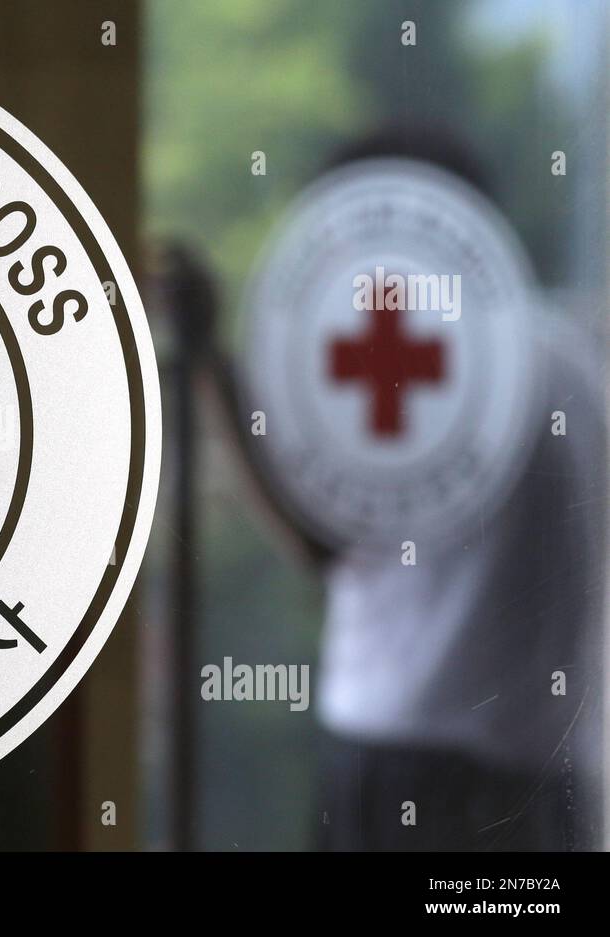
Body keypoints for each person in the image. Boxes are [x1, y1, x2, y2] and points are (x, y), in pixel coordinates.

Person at [170, 136, 606, 850]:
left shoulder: (414, 377)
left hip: (398, 760)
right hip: (554, 779)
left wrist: (208, 365)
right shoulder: (574, 364)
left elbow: (319, 543)